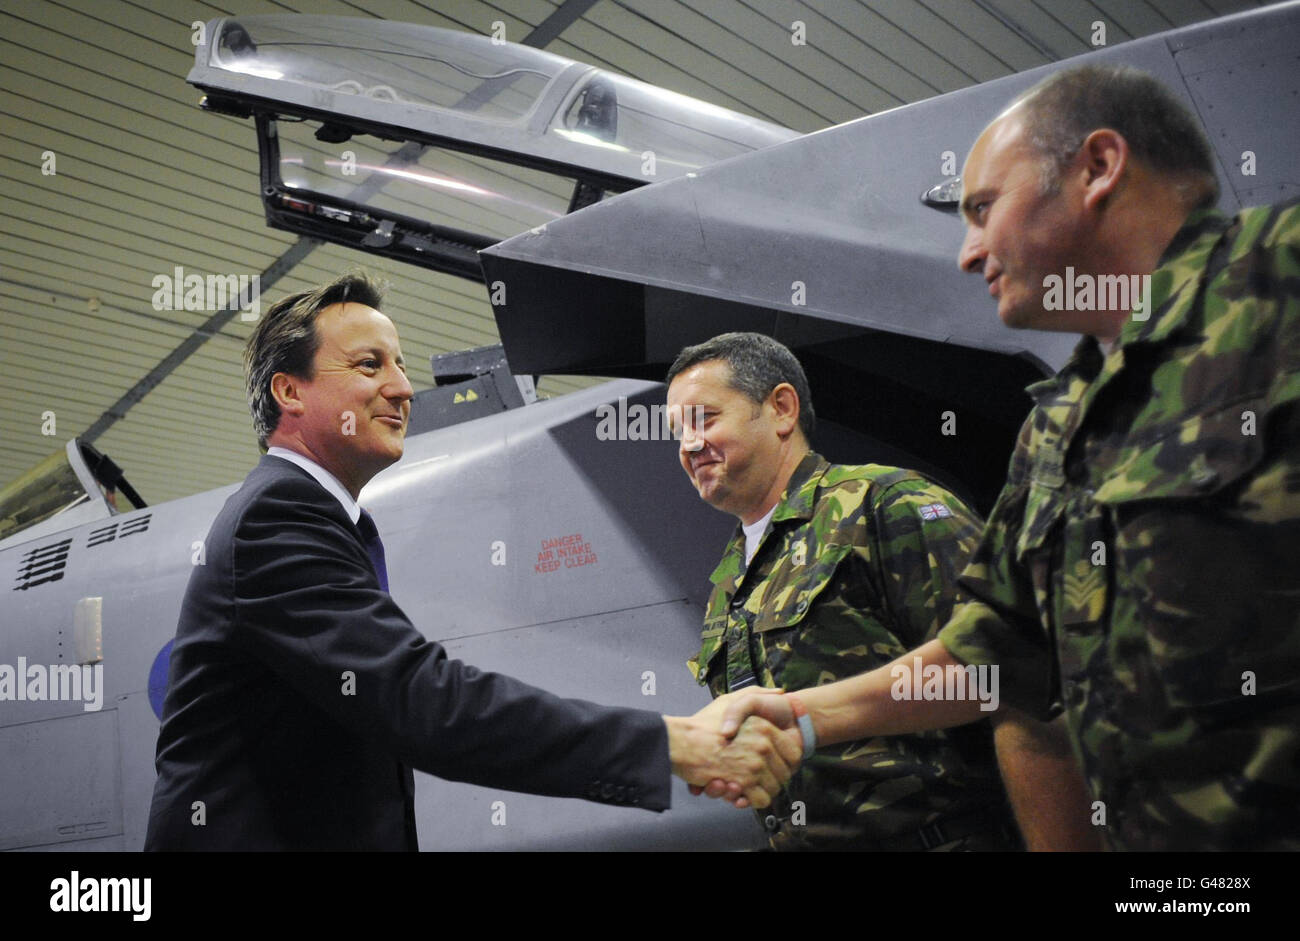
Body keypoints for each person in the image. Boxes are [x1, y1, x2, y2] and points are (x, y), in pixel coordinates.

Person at [711, 64, 1300, 851]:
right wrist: (804, 714)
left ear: (1098, 168)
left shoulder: (1279, 277)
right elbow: (998, 657)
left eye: (984, 209)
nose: (967, 251)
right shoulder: (1059, 429)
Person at [145, 272, 799, 851]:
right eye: (370, 365)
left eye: (399, 364)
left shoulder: (326, 518)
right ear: (290, 390)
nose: (403, 388)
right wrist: (669, 744)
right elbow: (421, 701)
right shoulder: (277, 516)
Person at [665, 333, 1017, 850]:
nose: (689, 446)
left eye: (705, 419)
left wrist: (807, 719)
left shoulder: (887, 504)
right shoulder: (732, 575)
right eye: (677, 434)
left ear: (782, 409)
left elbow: (999, 672)